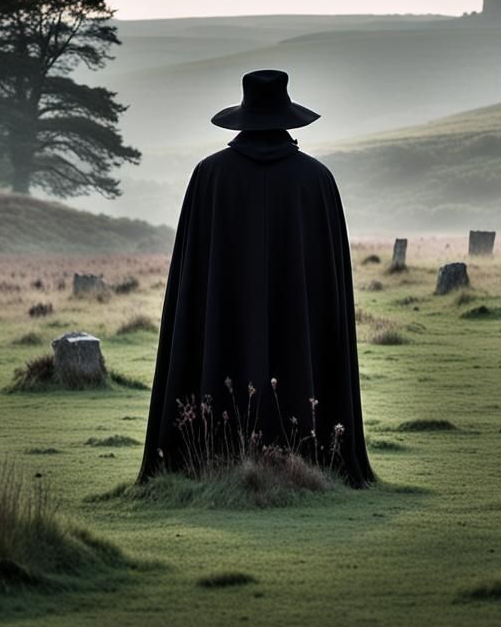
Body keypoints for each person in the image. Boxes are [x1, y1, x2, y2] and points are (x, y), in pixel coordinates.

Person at [138, 70, 375, 487]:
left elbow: (194, 284)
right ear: (288, 117)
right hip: (297, 322)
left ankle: (213, 459)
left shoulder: (210, 176)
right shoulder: (316, 179)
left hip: (225, 321)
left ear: (242, 118)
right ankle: (307, 460)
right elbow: (327, 289)